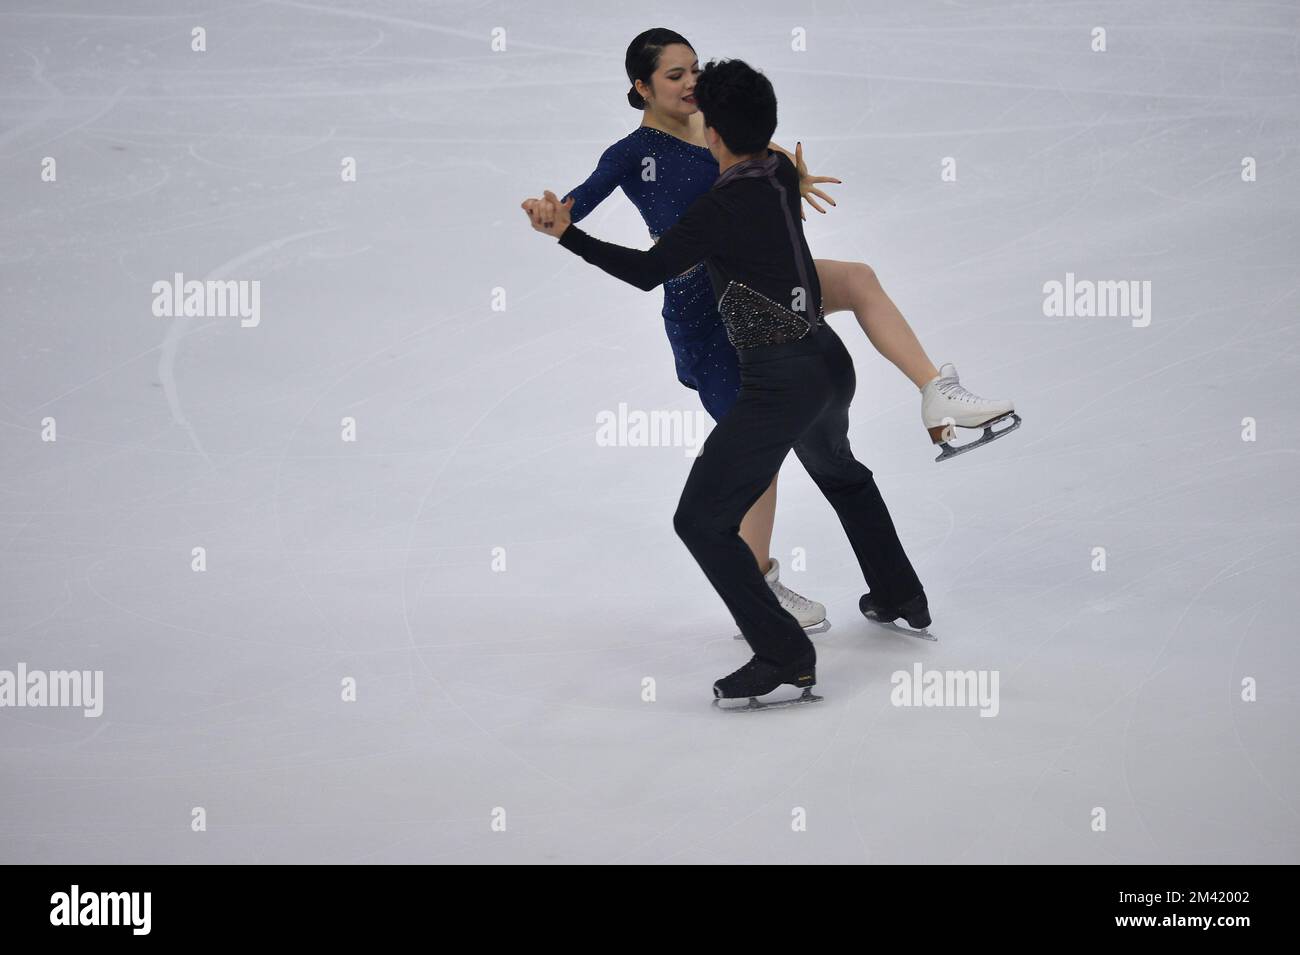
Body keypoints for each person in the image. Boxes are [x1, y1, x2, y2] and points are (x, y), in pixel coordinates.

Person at [520, 28, 1016, 636]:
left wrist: (789, 181)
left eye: (694, 70)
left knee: (857, 280)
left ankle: (936, 392)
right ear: (641, 87)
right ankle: (762, 581)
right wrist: (556, 218)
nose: (690, 83)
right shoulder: (632, 153)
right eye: (673, 76)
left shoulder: (721, 123)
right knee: (763, 457)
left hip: (765, 288)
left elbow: (762, 167)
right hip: (706, 307)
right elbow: (580, 201)